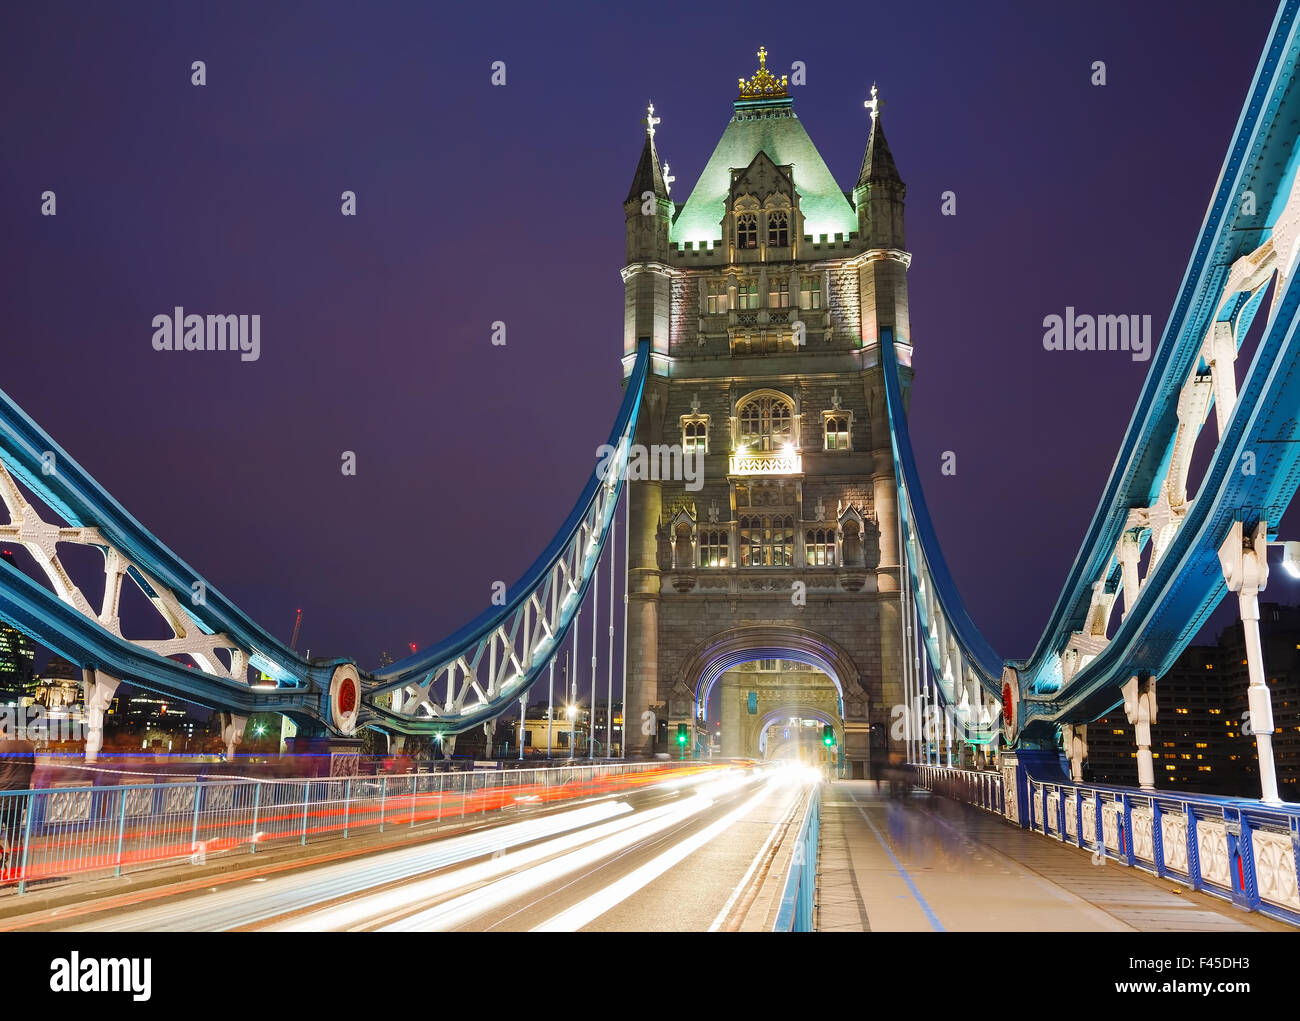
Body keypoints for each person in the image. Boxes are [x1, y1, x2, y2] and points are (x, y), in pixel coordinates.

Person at [0, 738, 36, 871]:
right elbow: (31, 769)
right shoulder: (28, 746)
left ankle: (2, 861)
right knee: (15, 838)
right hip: (18, 799)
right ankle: (16, 874)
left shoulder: (1, 746)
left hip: (1, 797)